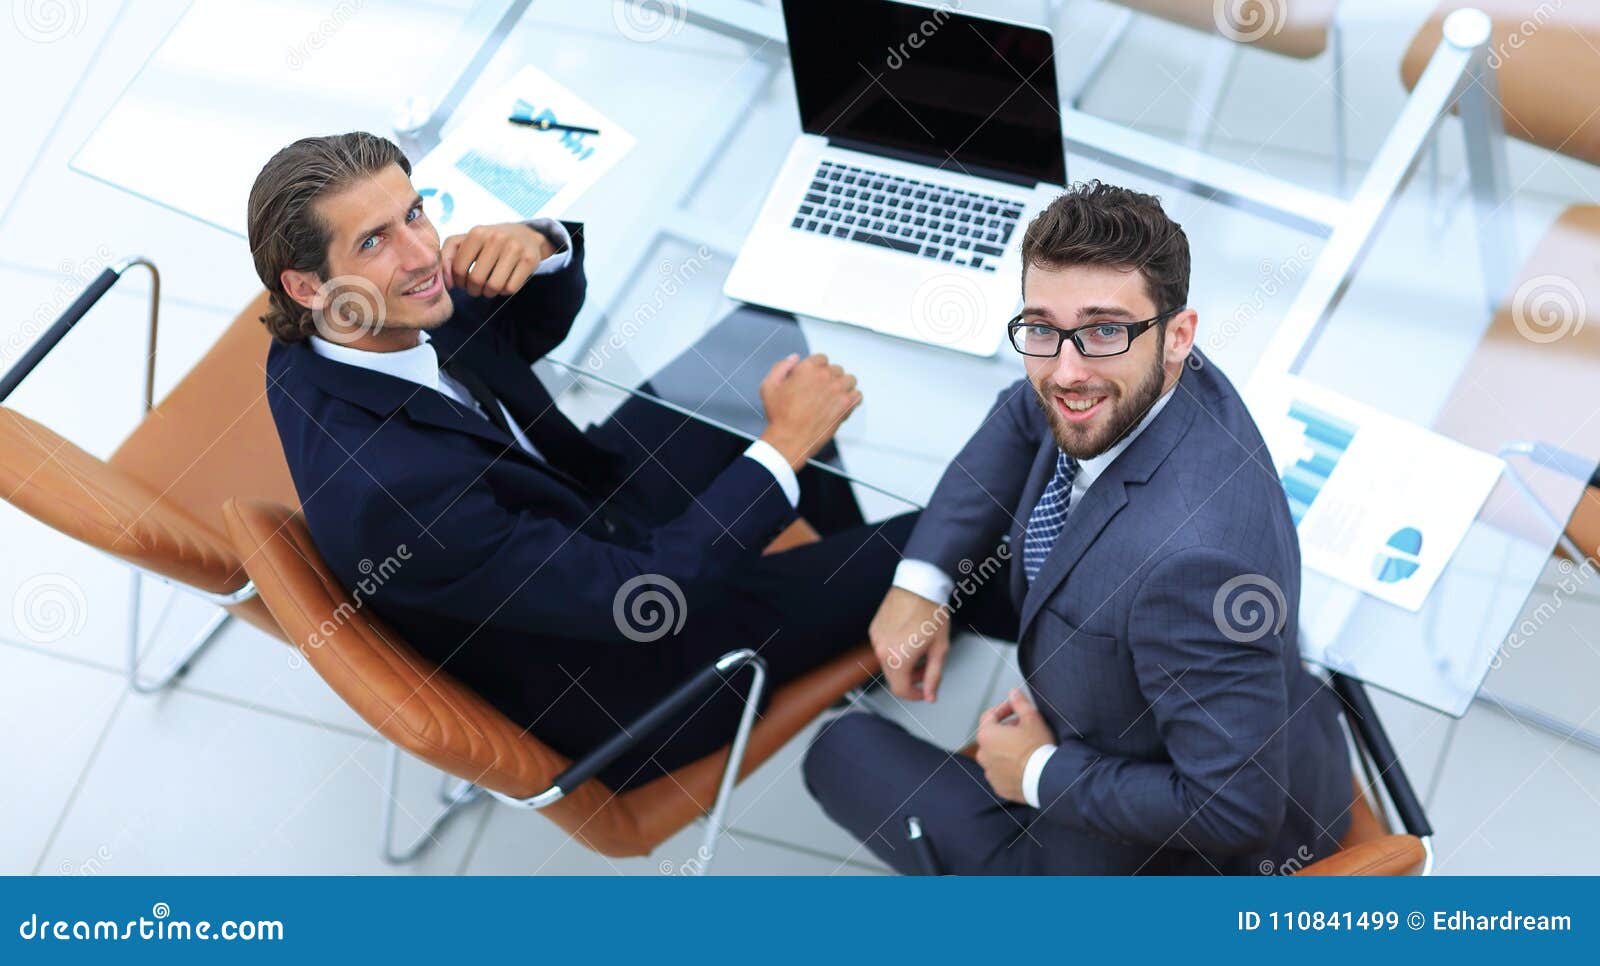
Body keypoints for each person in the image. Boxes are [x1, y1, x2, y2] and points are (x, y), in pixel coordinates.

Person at [249, 131, 910, 790]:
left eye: (415, 213)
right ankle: (912, 595)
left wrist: (539, 245)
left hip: (584, 504)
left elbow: (518, 333)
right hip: (646, 669)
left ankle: (872, 604)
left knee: (758, 343)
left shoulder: (348, 326)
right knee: (958, 537)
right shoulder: (398, 497)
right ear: (305, 285)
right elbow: (647, 592)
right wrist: (785, 446)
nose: (424, 253)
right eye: (374, 240)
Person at [804, 181, 1353, 875]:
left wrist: (1035, 770)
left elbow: (1234, 809)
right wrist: (922, 581)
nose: (1065, 372)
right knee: (895, 566)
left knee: (841, 751)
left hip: (1163, 860)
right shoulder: (1146, 368)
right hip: (1169, 688)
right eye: (1041, 328)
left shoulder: (1197, 564)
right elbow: (1016, 417)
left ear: (1180, 335)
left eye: (1102, 330)